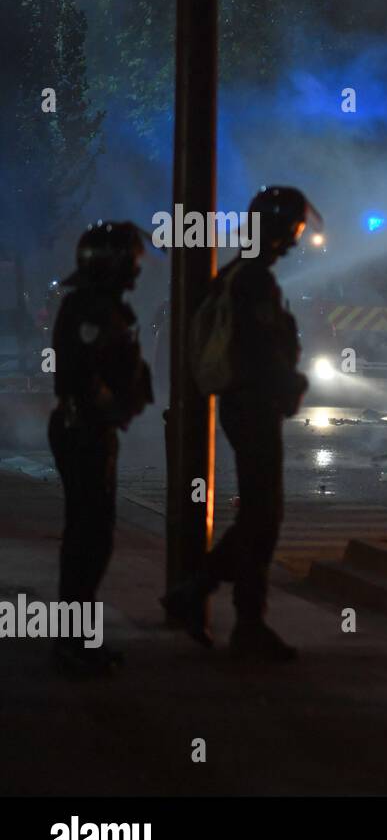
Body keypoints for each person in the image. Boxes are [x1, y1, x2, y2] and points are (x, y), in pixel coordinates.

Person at [164, 186, 318, 662]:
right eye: (290, 232)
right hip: (252, 407)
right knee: (262, 516)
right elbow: (258, 350)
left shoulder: (235, 273)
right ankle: (232, 613)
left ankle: (213, 599)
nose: (292, 243)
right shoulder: (254, 281)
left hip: (243, 405)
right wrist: (289, 382)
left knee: (259, 514)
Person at [49, 222, 154, 678]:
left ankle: (75, 639)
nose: (136, 267)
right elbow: (83, 376)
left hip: (88, 428)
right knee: (89, 539)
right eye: (130, 259)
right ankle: (73, 642)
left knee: (89, 535)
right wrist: (111, 406)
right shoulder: (92, 311)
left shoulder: (96, 306)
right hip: (85, 430)